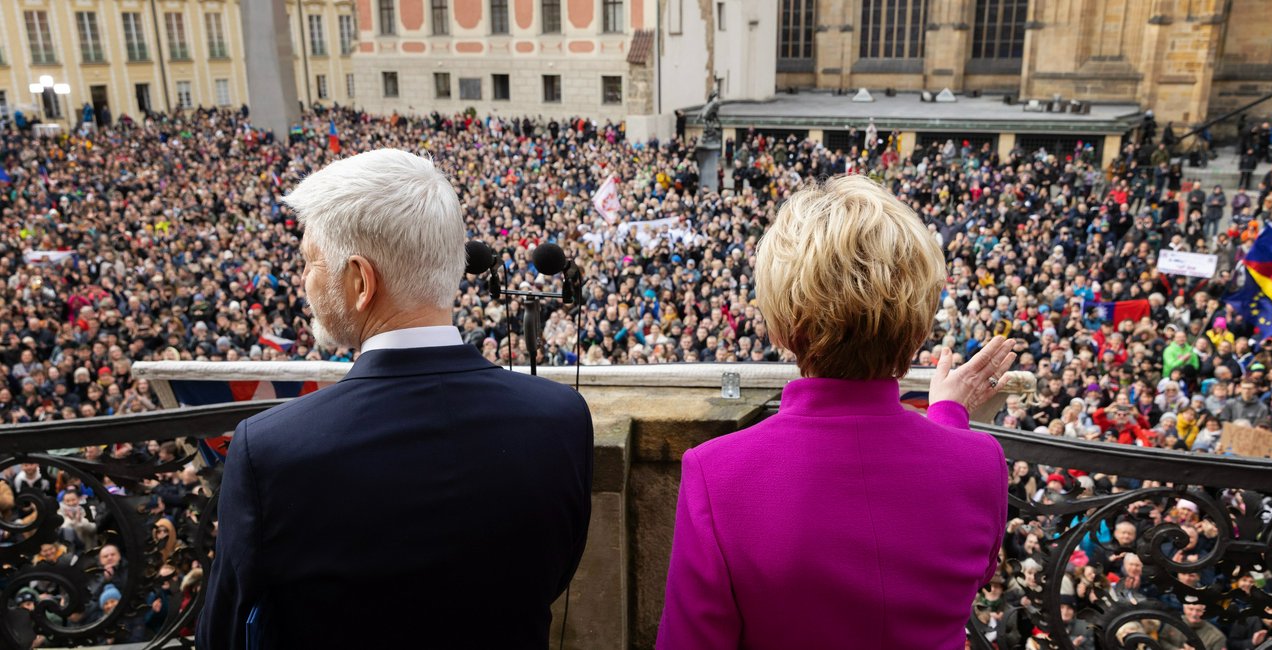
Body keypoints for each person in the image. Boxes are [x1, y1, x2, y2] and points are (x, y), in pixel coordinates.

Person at [197, 149, 595, 649]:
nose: (304, 280)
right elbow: (556, 575)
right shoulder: (562, 418)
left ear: (360, 281)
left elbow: (224, 635)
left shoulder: (269, 449)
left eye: (309, 261)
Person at [656, 175, 1016, 649]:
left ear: (781, 326)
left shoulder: (716, 474)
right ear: (918, 328)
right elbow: (953, 563)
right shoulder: (981, 462)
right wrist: (947, 417)